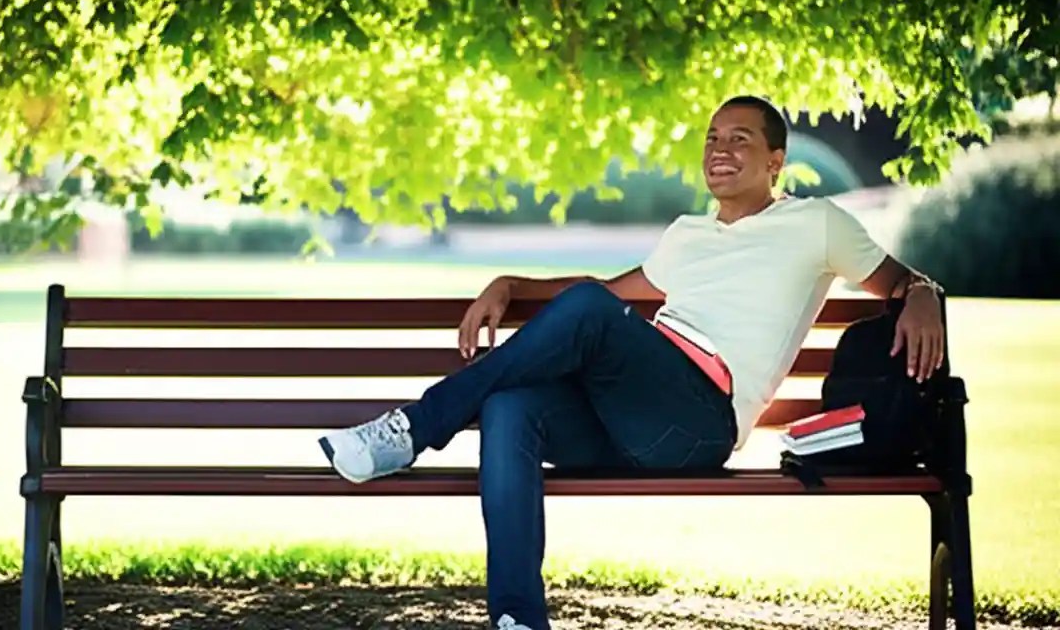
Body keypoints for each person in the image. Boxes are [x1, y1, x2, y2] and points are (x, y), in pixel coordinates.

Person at [317, 95, 946, 630]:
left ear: (776, 161)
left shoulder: (817, 223)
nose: (719, 149)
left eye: (740, 139)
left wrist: (921, 294)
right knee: (510, 406)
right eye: (711, 137)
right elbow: (609, 293)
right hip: (630, 418)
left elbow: (900, 280)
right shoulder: (687, 234)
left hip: (699, 419)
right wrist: (513, 284)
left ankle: (415, 427)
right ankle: (516, 618)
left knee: (586, 312)